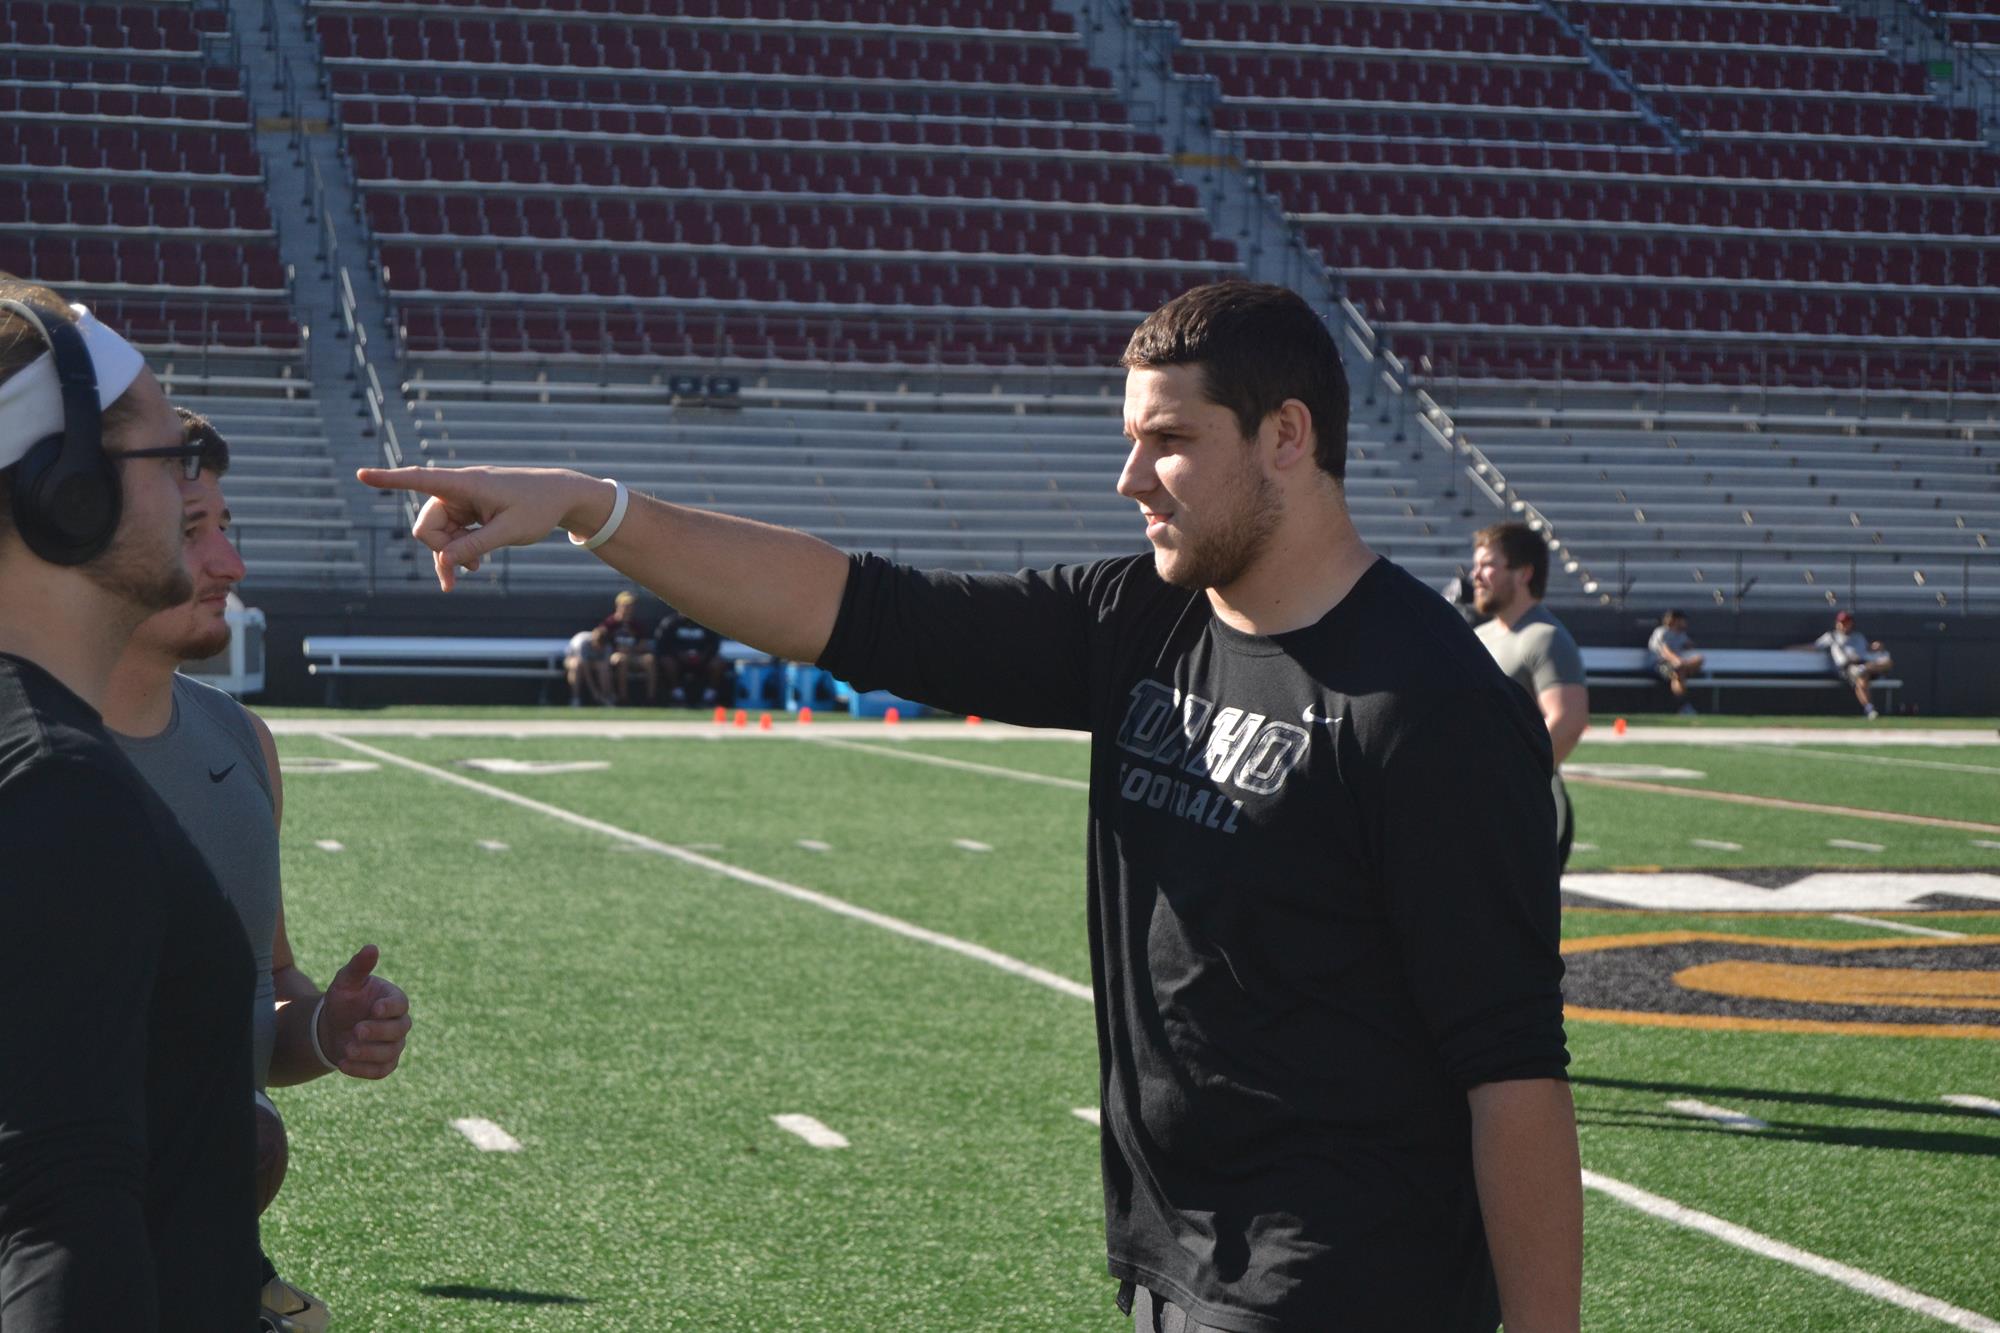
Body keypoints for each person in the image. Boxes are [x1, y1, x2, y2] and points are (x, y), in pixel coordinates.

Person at [360, 281, 1581, 1333]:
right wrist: (594, 507)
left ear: (1285, 435)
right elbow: (855, 608)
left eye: (1165, 440)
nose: (1126, 479)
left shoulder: (1427, 704)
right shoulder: (1141, 622)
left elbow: (1512, 1071)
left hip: (1341, 1278)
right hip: (1172, 1251)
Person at [100, 407, 414, 1333]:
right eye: (190, 531)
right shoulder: (28, 747)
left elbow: (262, 1002)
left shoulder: (242, 742)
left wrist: (323, 1027)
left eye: (226, 527)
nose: (229, 564)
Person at [0, 279, 259, 1328]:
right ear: (72, 489)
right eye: (169, 463)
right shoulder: (59, 788)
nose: (188, 503)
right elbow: (59, 1230)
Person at [1470, 521, 1588, 867]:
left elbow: (1568, 720)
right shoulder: (1482, 636)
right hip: (1480, 800)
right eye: (1477, 564)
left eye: (1488, 565)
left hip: (1522, 805)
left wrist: (1509, 783)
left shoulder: (1544, 637)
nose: (1476, 575)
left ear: (1523, 573)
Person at [1810, 610, 1893, 718]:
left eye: (1846, 622)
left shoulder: (1858, 636)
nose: (1844, 625)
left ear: (1851, 623)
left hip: (1865, 664)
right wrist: (1793, 648)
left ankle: (1865, 669)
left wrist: (1875, 647)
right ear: (1837, 623)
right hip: (1847, 667)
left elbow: (1867, 649)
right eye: (1841, 622)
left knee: (1887, 662)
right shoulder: (1831, 636)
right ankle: (1869, 708)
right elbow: (1814, 646)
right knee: (1861, 677)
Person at [654, 604, 728, 706]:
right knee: (667, 662)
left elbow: (714, 645)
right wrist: (678, 654)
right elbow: (662, 645)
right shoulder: (670, 623)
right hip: (678, 660)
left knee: (718, 662)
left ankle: (709, 696)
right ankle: (677, 695)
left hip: (702, 660)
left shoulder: (705, 623)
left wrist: (703, 655)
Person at [600, 588, 657, 704]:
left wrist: (631, 649)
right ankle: (623, 698)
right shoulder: (609, 623)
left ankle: (651, 698)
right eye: (625, 605)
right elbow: (601, 641)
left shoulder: (635, 625)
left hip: (633, 655)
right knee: (622, 660)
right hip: (615, 655)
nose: (629, 608)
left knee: (650, 660)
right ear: (618, 605)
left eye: (631, 605)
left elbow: (643, 644)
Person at [1647, 608, 1704, 715]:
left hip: (1677, 665)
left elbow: (1690, 646)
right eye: (1682, 620)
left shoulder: (1680, 634)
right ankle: (1683, 706)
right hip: (1658, 664)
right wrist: (1678, 661)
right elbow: (1665, 652)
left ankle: (1684, 669)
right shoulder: (1662, 631)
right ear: (1675, 620)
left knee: (1697, 659)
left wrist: (1688, 657)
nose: (1685, 622)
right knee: (1678, 672)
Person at [565, 622, 613, 705]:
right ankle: (575, 698)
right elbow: (586, 671)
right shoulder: (583, 644)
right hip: (573, 659)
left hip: (594, 662)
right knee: (577, 665)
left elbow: (607, 668)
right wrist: (594, 692)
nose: (599, 648)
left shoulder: (607, 646)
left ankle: (607, 697)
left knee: (603, 667)